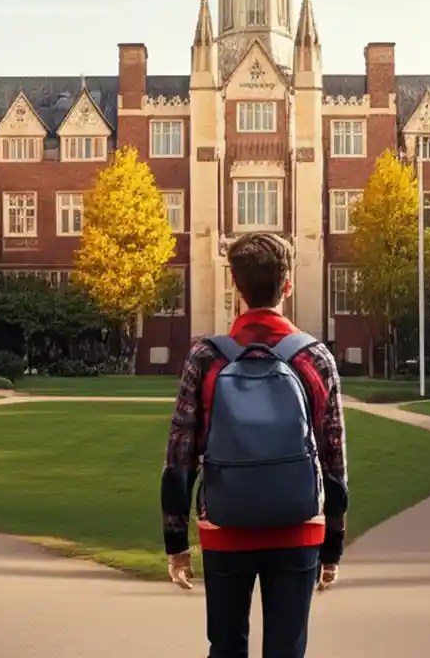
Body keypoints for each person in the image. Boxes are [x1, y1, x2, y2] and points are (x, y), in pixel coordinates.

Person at [161, 232, 349, 658]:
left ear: (235, 284)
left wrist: (176, 542)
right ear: (288, 285)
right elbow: (334, 459)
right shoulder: (315, 358)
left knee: (226, 648)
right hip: (298, 525)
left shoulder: (206, 357)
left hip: (225, 524)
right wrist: (333, 547)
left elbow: (180, 456)